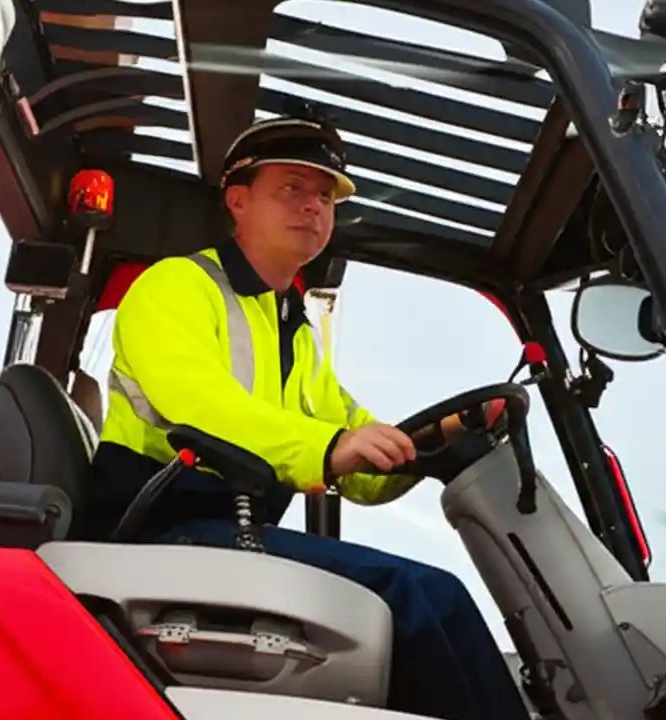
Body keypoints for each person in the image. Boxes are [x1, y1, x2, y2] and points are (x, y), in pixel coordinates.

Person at [85, 113, 532, 720]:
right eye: (291, 189)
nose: (313, 207)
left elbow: (358, 455)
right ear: (237, 201)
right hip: (159, 527)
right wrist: (330, 449)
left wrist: (437, 436)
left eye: (324, 196)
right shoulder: (175, 287)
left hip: (226, 533)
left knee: (440, 600)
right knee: (424, 597)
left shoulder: (293, 329)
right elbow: (202, 406)